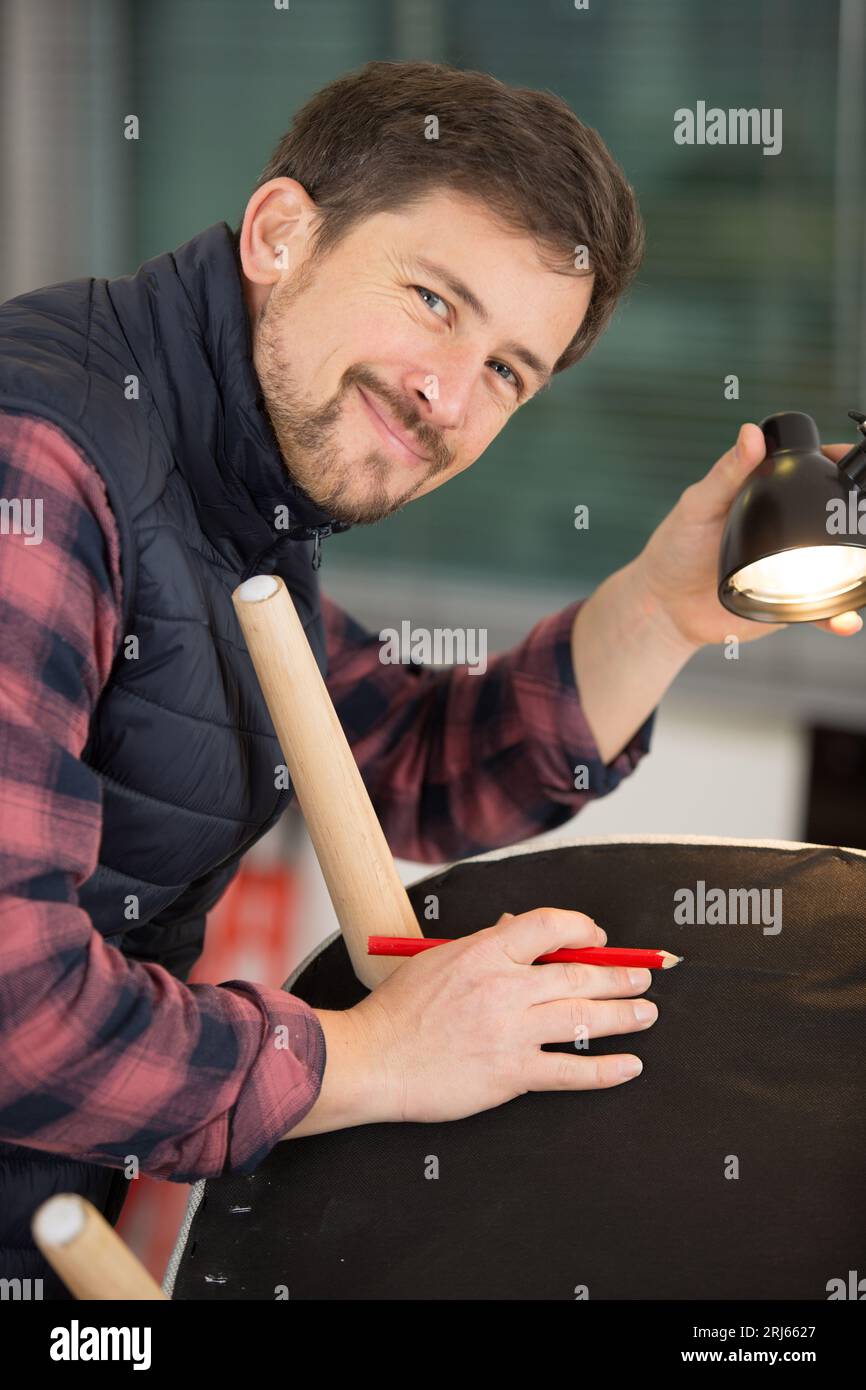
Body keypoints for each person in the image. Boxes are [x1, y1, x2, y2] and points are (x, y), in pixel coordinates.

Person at [0, 59, 858, 1296]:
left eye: (509, 368)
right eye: (433, 300)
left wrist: (665, 609)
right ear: (281, 233)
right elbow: (17, 1009)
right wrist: (373, 1059)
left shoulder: (224, 482)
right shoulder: (42, 459)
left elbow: (410, 766)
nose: (447, 395)